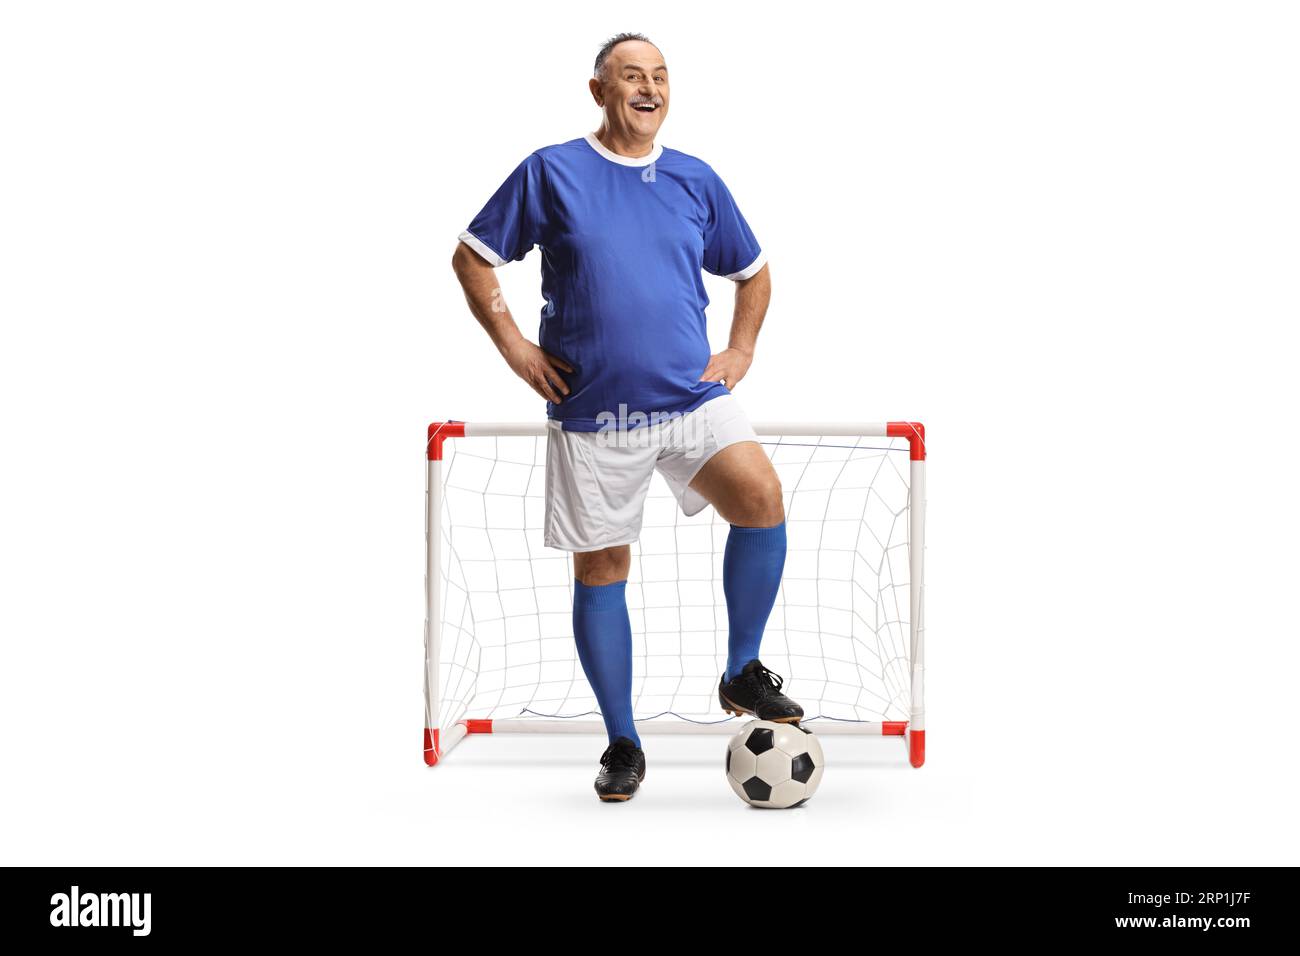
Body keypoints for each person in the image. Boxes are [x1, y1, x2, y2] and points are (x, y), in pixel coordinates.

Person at [451, 33, 802, 802]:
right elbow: (473, 256)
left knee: (762, 498)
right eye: (631, 76)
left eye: (660, 76)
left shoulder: (693, 177)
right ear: (599, 89)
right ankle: (622, 740)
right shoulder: (552, 171)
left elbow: (754, 272)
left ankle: (741, 670)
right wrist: (513, 343)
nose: (649, 88)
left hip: (690, 399)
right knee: (603, 569)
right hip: (594, 412)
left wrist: (739, 350)